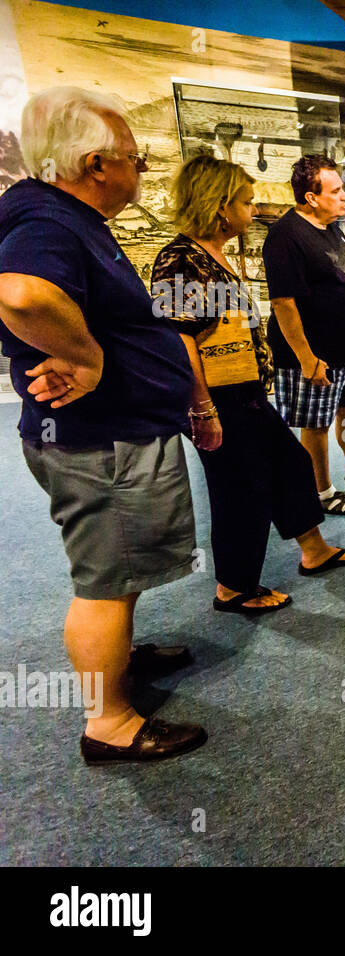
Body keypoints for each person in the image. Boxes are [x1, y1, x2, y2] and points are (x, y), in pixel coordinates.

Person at [0, 87, 205, 763]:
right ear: (95, 164)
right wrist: (84, 357)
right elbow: (21, 293)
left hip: (111, 436)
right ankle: (110, 721)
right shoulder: (48, 222)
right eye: (134, 158)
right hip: (102, 443)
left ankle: (121, 660)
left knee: (118, 571)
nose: (138, 171)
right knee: (104, 583)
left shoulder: (59, 214)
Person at [151, 155, 345, 616]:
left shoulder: (212, 253)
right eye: (246, 202)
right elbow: (177, 335)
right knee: (238, 489)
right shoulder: (178, 259)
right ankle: (234, 587)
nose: (253, 211)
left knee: (289, 463)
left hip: (244, 391)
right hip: (217, 397)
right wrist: (202, 408)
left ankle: (314, 549)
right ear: (218, 204)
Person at [262, 154, 345, 516]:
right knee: (316, 423)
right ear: (311, 196)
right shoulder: (285, 236)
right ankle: (321, 492)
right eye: (336, 190)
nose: (344, 197)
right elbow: (283, 303)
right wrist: (307, 359)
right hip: (313, 354)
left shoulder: (331, 226)